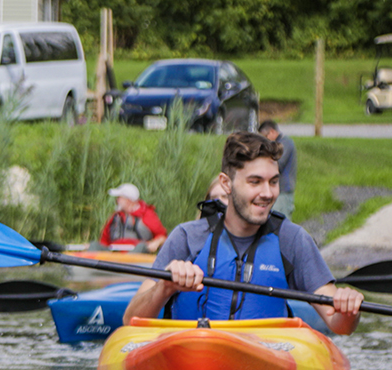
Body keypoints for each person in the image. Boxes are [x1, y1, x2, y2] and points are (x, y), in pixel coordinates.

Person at [124, 132, 362, 332]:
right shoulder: (187, 238)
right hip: (191, 357)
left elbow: (338, 324)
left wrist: (348, 309)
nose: (268, 193)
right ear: (226, 184)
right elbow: (131, 321)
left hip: (264, 364)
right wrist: (165, 287)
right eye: (255, 182)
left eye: (273, 181)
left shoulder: (292, 240)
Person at [98, 183, 168, 253]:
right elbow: (104, 240)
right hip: (114, 251)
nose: (117, 201)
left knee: (141, 247)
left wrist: (156, 243)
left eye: (119, 198)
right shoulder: (115, 216)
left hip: (136, 252)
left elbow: (162, 236)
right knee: (94, 245)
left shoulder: (147, 214)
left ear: (128, 200)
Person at [258, 119, 297, 217]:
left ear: (272, 131)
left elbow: (278, 165)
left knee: (282, 222)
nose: (266, 140)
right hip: (275, 190)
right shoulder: (276, 144)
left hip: (283, 190)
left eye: (266, 136)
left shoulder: (285, 143)